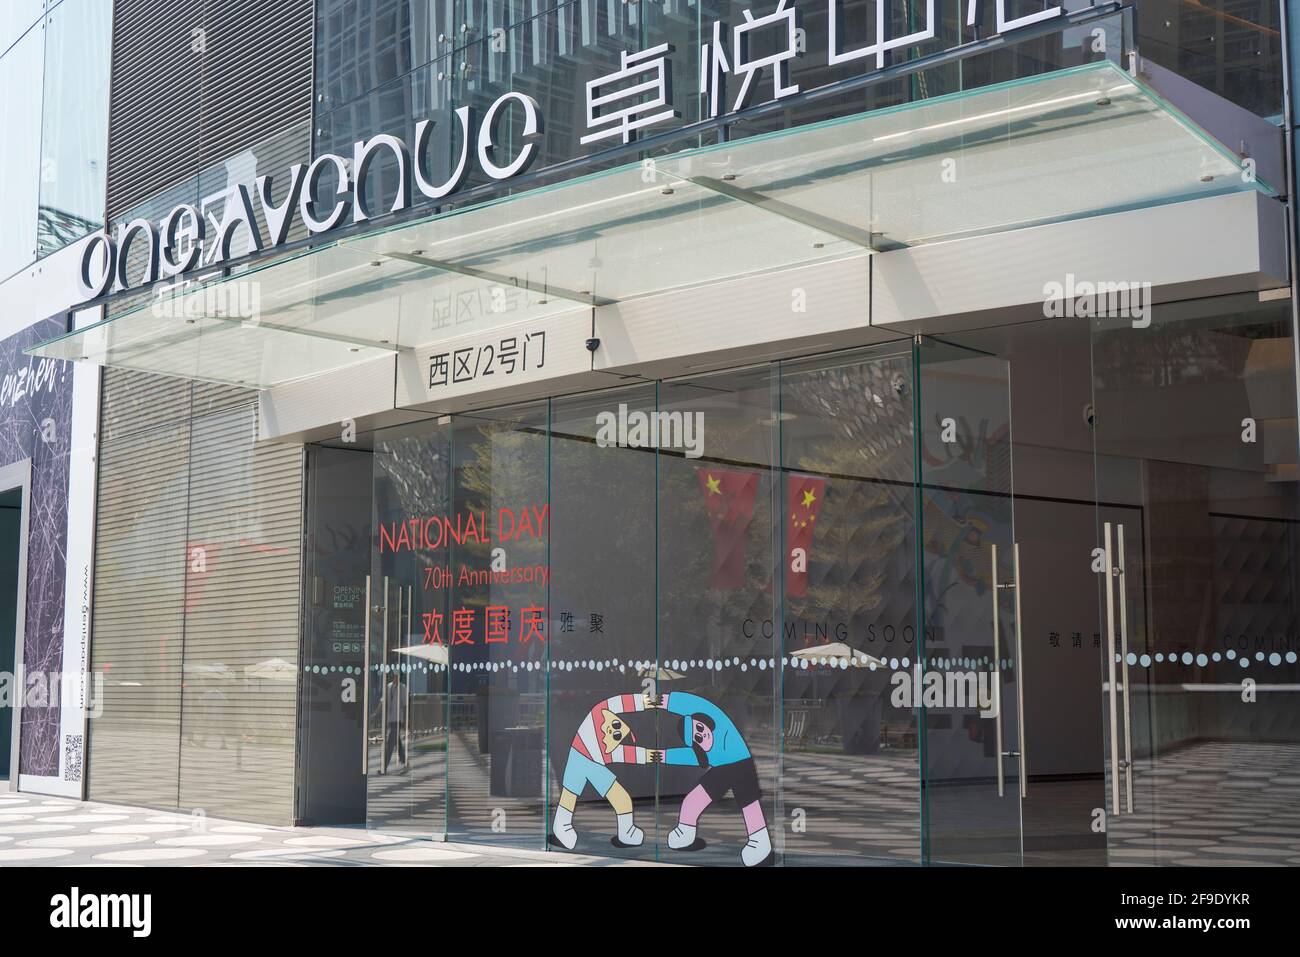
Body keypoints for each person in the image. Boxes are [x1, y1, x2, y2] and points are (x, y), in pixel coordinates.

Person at [658, 691, 773, 867]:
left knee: (749, 805)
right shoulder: (707, 753)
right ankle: (685, 832)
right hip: (724, 768)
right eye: (697, 738)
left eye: (700, 728)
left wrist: (661, 701)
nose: (701, 735)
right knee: (692, 801)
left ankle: (759, 841)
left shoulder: (718, 721)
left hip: (741, 763)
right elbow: (682, 756)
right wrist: (657, 756)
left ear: (705, 722)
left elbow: (693, 704)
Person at [551, 693, 660, 850]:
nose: (611, 731)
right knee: (569, 797)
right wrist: (644, 701)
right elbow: (620, 702)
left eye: (617, 735)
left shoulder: (609, 750)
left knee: (621, 799)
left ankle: (627, 832)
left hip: (591, 763)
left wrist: (650, 755)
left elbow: (628, 754)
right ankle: (562, 826)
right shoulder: (601, 711)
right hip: (579, 758)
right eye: (617, 726)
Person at [381, 673, 408, 774]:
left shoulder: (402, 687)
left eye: (397, 676)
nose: (395, 677)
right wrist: (377, 712)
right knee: (397, 742)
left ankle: (384, 767)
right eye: (394, 675)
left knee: (390, 743)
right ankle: (405, 762)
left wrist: (405, 720)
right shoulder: (388, 686)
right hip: (390, 718)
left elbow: (405, 705)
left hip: (398, 719)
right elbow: (383, 701)